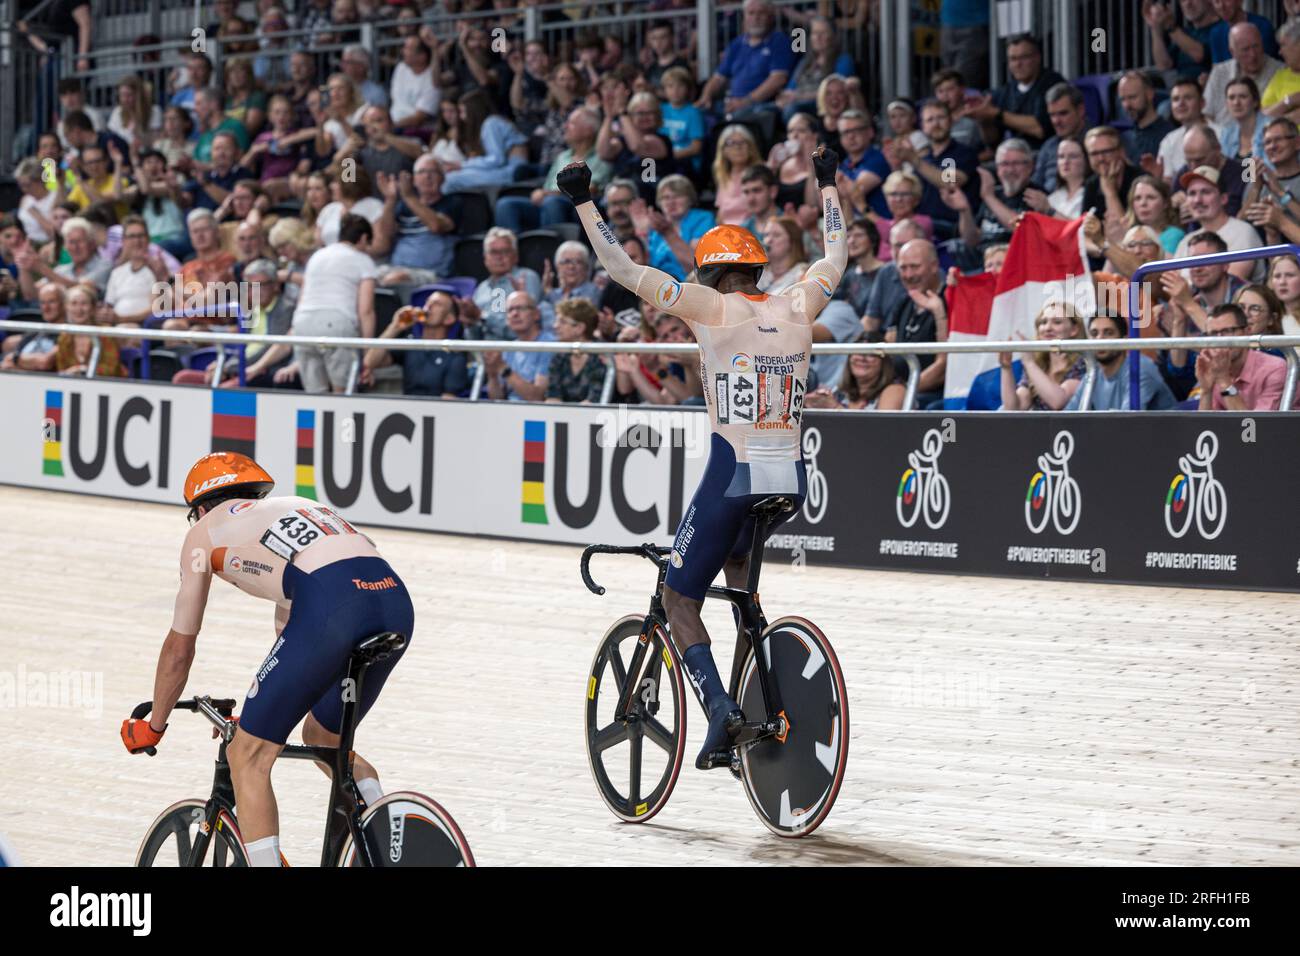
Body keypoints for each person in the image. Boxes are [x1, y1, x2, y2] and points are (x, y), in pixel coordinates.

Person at [557, 144, 847, 770]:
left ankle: (720, 707)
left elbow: (623, 269)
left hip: (732, 474)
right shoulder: (799, 302)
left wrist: (584, 202)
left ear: (711, 275)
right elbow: (837, 254)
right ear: (758, 271)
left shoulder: (710, 307)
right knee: (739, 582)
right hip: (790, 479)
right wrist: (828, 183)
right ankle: (759, 673)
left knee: (680, 596)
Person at [121, 452, 416, 868]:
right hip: (393, 601)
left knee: (247, 755)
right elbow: (294, 649)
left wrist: (154, 726)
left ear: (202, 508)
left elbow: (179, 649)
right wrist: (262, 716)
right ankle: (388, 839)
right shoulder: (296, 509)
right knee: (323, 738)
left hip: (329, 602)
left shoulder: (204, 534)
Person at [291, 213, 378, 394]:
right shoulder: (363, 261)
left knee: (315, 394)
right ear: (363, 238)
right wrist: (367, 352)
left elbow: (303, 298)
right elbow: (366, 311)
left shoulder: (317, 256)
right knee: (342, 394)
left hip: (302, 324)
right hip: (336, 324)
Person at [1063, 312, 1178, 411]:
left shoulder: (1140, 368)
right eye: (1094, 334)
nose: (1099, 339)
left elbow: (1125, 423)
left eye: (1108, 333)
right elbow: (1068, 415)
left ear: (1124, 339)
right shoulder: (1093, 373)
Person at [364, 293, 470, 398]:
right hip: (406, 408)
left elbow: (449, 401)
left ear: (449, 319)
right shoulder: (412, 345)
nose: (428, 306)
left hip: (432, 412)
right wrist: (395, 327)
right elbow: (369, 363)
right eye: (427, 301)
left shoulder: (455, 356)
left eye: (437, 304)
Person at [1194, 303, 1288, 410]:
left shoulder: (1275, 369)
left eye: (1228, 331)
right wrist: (1206, 390)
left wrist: (1224, 381)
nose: (1219, 339)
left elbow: (1255, 425)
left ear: (1247, 332)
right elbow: (1205, 426)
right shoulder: (1216, 368)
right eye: (1214, 333)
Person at [997, 300, 1086, 411]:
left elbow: (1058, 401)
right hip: (1039, 427)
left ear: (1074, 329)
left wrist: (1029, 363)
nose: (1048, 328)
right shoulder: (1038, 365)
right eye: (1043, 322)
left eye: (1057, 322)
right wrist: (1006, 368)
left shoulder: (1084, 363)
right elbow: (1013, 408)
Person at [545, 298, 607, 403]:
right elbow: (552, 396)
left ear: (579, 328)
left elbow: (594, 400)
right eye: (556, 321)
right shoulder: (559, 355)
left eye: (562, 322)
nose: (555, 326)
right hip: (565, 416)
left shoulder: (600, 354)